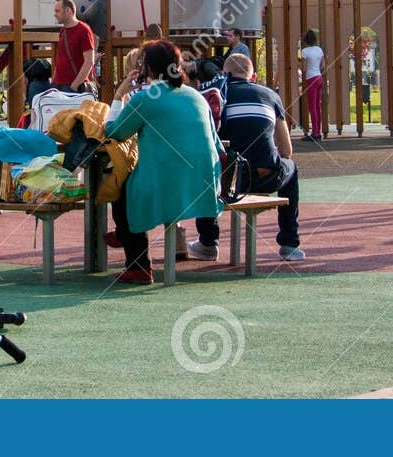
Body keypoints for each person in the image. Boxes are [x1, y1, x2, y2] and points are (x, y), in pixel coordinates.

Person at [103, 40, 223, 284]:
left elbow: (114, 133)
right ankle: (126, 234)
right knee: (141, 183)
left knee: (121, 189)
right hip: (206, 183)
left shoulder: (145, 98)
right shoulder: (196, 96)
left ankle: (137, 263)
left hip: (167, 183)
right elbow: (216, 142)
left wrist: (118, 95)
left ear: (146, 68)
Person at [189, 53, 305, 262]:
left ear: (224, 73)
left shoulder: (214, 96)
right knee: (291, 166)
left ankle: (208, 242)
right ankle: (289, 243)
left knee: (207, 166)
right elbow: (286, 150)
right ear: (254, 76)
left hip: (226, 181)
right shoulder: (270, 96)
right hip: (265, 177)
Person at [51, 0, 97, 95]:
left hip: (73, 86)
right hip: (58, 85)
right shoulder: (63, 31)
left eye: (57, 11)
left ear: (68, 11)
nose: (55, 14)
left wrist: (74, 86)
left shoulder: (83, 30)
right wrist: (53, 83)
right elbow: (60, 59)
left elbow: (89, 61)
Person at [299, 29, 325, 140]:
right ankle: (318, 132)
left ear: (305, 40)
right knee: (318, 106)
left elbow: (304, 69)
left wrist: (298, 64)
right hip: (319, 78)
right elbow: (323, 66)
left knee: (312, 107)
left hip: (311, 79)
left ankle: (315, 133)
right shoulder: (319, 50)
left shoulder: (304, 51)